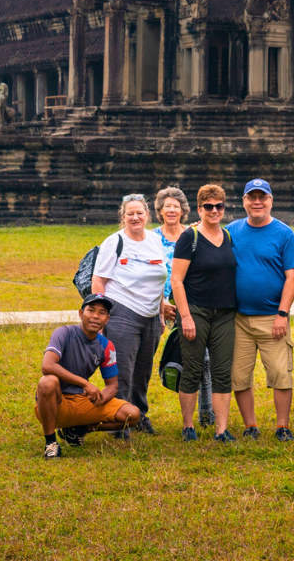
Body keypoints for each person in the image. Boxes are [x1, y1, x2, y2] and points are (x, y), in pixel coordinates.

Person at [91, 193, 172, 436]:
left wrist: (161, 312)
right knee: (123, 372)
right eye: (130, 214)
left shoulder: (155, 241)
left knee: (143, 371)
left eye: (139, 213)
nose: (135, 217)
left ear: (147, 215)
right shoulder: (114, 242)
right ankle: (118, 422)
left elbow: (160, 279)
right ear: (123, 217)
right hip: (122, 313)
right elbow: (98, 281)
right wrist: (101, 317)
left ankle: (139, 415)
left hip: (151, 316)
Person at [227, 178, 294, 441]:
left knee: (280, 373)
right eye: (252, 197)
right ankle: (250, 425)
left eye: (262, 197)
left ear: (270, 200)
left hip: (272, 317)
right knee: (239, 375)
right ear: (244, 201)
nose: (257, 202)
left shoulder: (284, 234)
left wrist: (282, 314)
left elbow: (292, 277)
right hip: (238, 318)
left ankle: (282, 426)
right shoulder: (231, 231)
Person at [169, 184, 238, 442]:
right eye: (208, 206)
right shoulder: (190, 237)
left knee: (222, 371)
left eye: (219, 206)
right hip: (196, 310)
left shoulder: (228, 236)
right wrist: (185, 316)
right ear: (199, 209)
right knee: (193, 368)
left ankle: (221, 429)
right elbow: (177, 280)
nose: (214, 211)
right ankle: (188, 426)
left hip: (225, 313)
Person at [34, 293, 140, 458]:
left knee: (132, 414)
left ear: (107, 319)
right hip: (55, 401)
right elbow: (47, 365)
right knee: (47, 382)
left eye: (102, 313)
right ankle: (51, 443)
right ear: (81, 313)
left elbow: (112, 385)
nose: (96, 316)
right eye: (91, 310)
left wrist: (101, 399)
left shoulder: (106, 345)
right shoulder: (64, 333)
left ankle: (80, 429)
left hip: (81, 400)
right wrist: (85, 384)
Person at [153, 186, 215, 429]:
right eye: (167, 206)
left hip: (191, 304)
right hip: (160, 305)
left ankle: (207, 413)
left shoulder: (193, 234)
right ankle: (138, 413)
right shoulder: (151, 239)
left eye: (175, 206)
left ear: (183, 211)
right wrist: (161, 304)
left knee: (204, 359)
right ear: (160, 210)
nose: (171, 210)